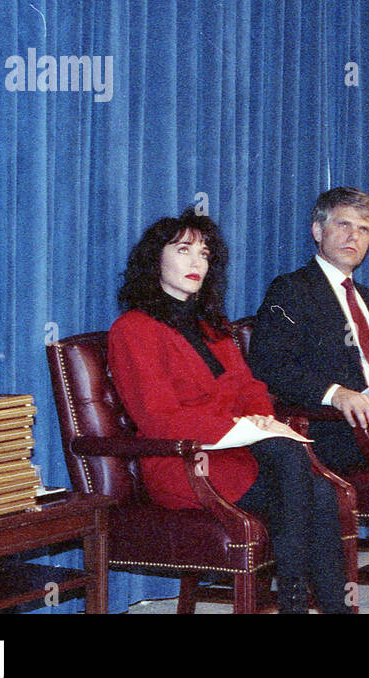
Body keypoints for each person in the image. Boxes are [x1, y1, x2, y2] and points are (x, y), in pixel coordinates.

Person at [107, 208, 350, 614]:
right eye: (184, 250)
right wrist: (242, 426)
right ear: (155, 260)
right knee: (295, 464)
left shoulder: (212, 325)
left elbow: (249, 386)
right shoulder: (133, 329)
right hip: (185, 462)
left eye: (204, 254)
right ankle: (294, 602)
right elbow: (158, 417)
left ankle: (328, 608)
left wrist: (258, 418)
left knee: (320, 489)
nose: (196, 263)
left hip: (238, 452)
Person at [249, 187, 369, 473]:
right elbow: (271, 365)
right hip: (336, 425)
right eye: (344, 225)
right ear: (317, 231)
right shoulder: (291, 289)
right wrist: (336, 394)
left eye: (364, 230)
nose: (354, 236)